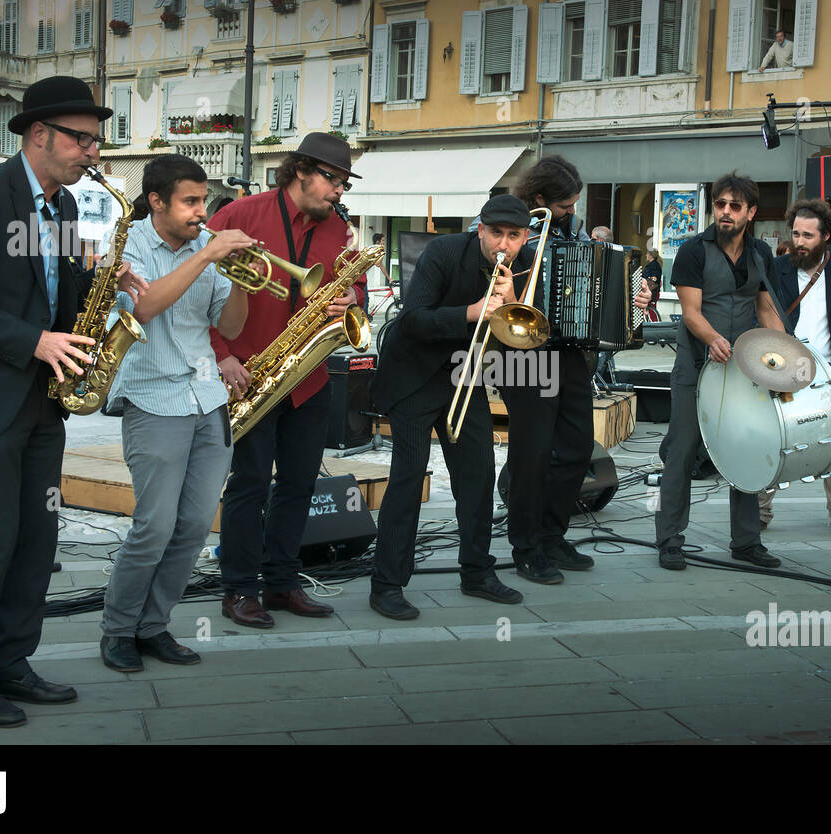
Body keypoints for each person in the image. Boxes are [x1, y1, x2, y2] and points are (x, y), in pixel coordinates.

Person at [0, 76, 145, 727]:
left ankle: (11, 663)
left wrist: (100, 281)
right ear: (38, 135)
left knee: (37, 537)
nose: (92, 153)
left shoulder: (66, 208)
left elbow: (53, 290)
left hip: (43, 400)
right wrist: (35, 341)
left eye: (96, 141)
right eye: (82, 139)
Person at [97, 155, 256, 672]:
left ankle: (154, 626)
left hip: (206, 398)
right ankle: (119, 629)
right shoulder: (128, 244)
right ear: (157, 201)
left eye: (204, 201)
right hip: (151, 396)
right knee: (155, 524)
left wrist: (247, 282)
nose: (200, 211)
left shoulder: (203, 250)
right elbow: (142, 307)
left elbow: (229, 329)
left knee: (191, 526)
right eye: (190, 201)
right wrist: (209, 255)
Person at [207, 132, 367, 627]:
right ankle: (238, 587)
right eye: (334, 180)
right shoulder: (241, 214)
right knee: (249, 485)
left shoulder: (339, 229)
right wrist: (222, 356)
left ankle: (281, 581)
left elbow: (354, 283)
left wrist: (352, 300)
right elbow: (195, 281)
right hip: (249, 373)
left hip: (309, 377)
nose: (340, 191)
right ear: (301, 171)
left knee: (298, 485)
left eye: (343, 183)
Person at [367, 195, 532, 619]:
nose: (504, 244)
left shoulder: (527, 263)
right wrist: (473, 312)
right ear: (481, 230)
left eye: (514, 236)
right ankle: (386, 584)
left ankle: (477, 571)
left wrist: (514, 299)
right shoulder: (442, 251)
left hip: (465, 374)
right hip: (414, 375)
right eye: (496, 233)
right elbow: (414, 319)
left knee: (478, 473)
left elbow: (530, 335)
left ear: (525, 237)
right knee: (408, 477)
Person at [652, 172, 786, 571]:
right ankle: (670, 539)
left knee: (745, 450)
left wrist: (784, 357)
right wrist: (712, 339)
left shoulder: (761, 252)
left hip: (743, 369)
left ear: (751, 212)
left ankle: (746, 541)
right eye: (720, 205)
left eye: (735, 206)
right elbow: (690, 312)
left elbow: (765, 310)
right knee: (682, 451)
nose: (726, 212)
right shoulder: (694, 250)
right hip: (697, 367)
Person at [496, 157, 597, 583]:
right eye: (565, 205)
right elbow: (484, 274)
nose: (573, 211)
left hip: (568, 350)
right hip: (522, 353)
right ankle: (526, 545)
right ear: (539, 199)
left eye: (575, 203)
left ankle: (553, 534)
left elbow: (595, 277)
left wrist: (633, 297)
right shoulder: (510, 226)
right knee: (531, 454)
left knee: (577, 447)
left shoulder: (575, 229)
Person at [759, 199, 831, 540]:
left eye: (808, 235)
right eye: (795, 233)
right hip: (785, 372)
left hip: (830, 374)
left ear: (826, 237)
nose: (799, 242)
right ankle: (758, 512)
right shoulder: (775, 267)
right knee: (775, 442)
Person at [642, 249, 663, 322]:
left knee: (651, 312)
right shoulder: (654, 264)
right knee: (651, 311)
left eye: (647, 254)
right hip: (653, 292)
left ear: (651, 255)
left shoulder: (654, 265)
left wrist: (646, 280)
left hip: (651, 292)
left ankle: (654, 325)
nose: (646, 255)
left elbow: (654, 278)